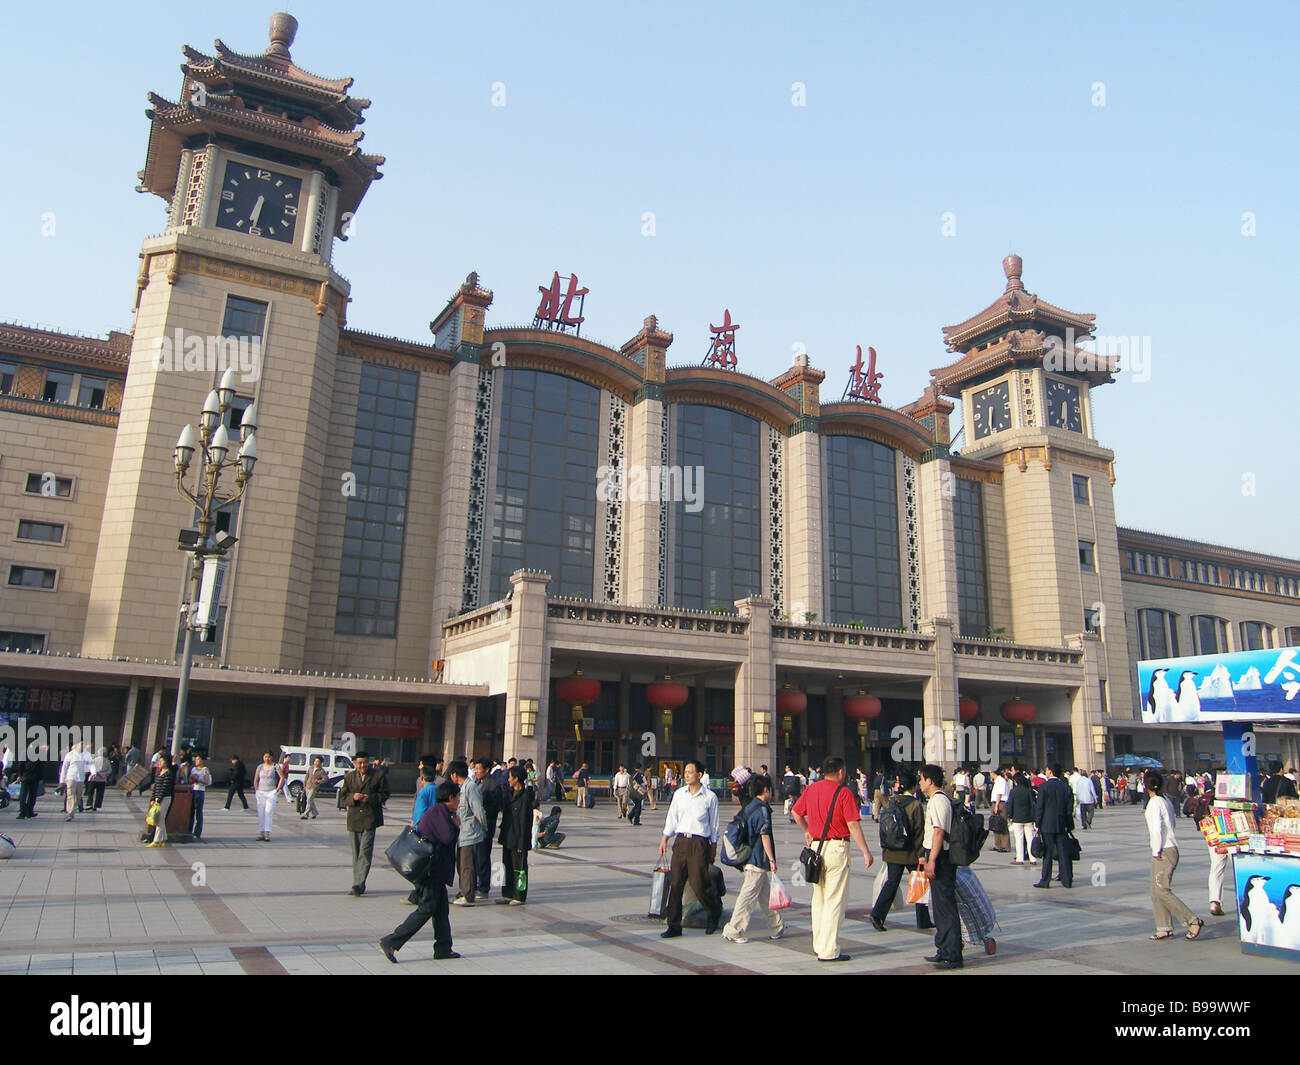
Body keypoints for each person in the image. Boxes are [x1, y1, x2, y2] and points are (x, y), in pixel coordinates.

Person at [792, 757, 875, 962]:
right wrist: (866, 851)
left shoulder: (812, 789)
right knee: (835, 900)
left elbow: (796, 812)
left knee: (818, 898)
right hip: (837, 848)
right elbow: (853, 825)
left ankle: (819, 944)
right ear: (840, 772)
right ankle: (829, 950)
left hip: (816, 848)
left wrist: (807, 831)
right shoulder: (844, 793)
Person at [380, 780, 462, 962]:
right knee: (427, 909)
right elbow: (447, 837)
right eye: (457, 797)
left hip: (435, 871)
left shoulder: (442, 812)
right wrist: (456, 826)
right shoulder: (437, 812)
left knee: (441, 910)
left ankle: (443, 948)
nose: (459, 800)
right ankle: (391, 941)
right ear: (450, 797)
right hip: (430, 871)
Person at [658, 760, 722, 939]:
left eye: (690, 772)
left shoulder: (710, 797)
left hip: (699, 843)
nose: (686, 775)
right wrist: (665, 838)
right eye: (685, 772)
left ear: (699, 775)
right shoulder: (679, 794)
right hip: (680, 842)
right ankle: (674, 925)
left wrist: (713, 847)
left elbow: (714, 825)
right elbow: (672, 818)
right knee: (676, 884)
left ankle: (713, 913)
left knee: (699, 883)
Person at [722, 774, 784, 944]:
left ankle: (776, 926)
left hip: (749, 857)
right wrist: (772, 860)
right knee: (747, 896)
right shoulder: (762, 809)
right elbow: (764, 835)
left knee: (764, 895)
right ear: (765, 790)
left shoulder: (750, 806)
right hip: (757, 859)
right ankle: (733, 930)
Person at [1144, 770, 1204, 941]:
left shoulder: (1155, 803)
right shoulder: (1165, 801)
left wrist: (1156, 851)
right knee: (1155, 890)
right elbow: (1172, 823)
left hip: (1164, 849)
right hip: (1168, 846)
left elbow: (1156, 829)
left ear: (1147, 786)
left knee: (1161, 889)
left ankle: (1192, 920)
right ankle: (1163, 926)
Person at [869, 768, 932, 933]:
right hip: (910, 852)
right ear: (912, 787)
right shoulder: (915, 805)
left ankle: (877, 914)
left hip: (892, 851)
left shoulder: (891, 801)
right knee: (920, 883)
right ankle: (923, 920)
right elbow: (919, 832)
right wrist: (921, 855)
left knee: (892, 882)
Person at [918, 764, 962, 968]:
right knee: (940, 906)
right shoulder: (937, 800)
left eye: (921, 779)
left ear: (930, 781)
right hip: (936, 854)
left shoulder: (938, 800)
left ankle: (952, 954)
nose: (920, 782)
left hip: (941, 857)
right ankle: (944, 948)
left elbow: (938, 832)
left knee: (945, 907)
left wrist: (932, 859)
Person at [342, 751, 389, 895]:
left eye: (365, 762)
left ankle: (358, 884)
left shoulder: (378, 775)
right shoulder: (349, 777)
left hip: (370, 818)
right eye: (360, 763)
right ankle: (358, 883)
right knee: (356, 854)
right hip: (354, 819)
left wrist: (371, 798)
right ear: (355, 763)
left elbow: (385, 794)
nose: (363, 766)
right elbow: (343, 797)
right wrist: (353, 797)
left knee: (365, 852)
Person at [1033, 764, 1075, 889]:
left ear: (1050, 772)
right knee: (1063, 853)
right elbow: (1069, 809)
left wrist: (1037, 824)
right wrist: (1068, 825)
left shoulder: (1044, 787)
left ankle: (1045, 880)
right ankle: (1067, 881)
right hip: (1062, 825)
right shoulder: (1065, 787)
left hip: (1047, 825)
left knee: (1048, 854)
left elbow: (1039, 807)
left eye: (1046, 770)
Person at [449, 760, 484, 905]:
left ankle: (469, 896)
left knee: (467, 865)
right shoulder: (461, 788)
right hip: (462, 833)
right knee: (462, 865)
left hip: (471, 833)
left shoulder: (471, 787)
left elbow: (479, 811)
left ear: (455, 774)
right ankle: (464, 891)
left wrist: (484, 828)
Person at [498, 765, 535, 905]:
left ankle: (519, 895)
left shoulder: (525, 798)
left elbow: (525, 823)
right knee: (506, 866)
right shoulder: (509, 794)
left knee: (519, 869)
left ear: (516, 779)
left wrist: (522, 843)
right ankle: (507, 894)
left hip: (518, 839)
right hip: (507, 836)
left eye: (510, 777)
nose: (508, 780)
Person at [473, 759, 501, 896]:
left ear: (487, 770)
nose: (477, 771)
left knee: (483, 856)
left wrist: (480, 809)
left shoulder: (493, 785)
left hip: (486, 825)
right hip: (475, 826)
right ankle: (474, 884)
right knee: (475, 857)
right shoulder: (476, 782)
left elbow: (495, 807)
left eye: (479, 769)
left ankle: (483, 887)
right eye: (476, 769)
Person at [252, 752, 284, 842]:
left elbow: (282, 777)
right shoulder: (260, 767)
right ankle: (261, 833)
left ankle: (267, 833)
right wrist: (256, 789)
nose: (267, 758)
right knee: (261, 813)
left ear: (272, 757)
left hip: (271, 792)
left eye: (269, 757)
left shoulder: (275, 766)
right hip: (261, 792)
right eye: (265, 757)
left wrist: (277, 789)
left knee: (268, 812)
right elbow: (256, 779)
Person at [1007, 772, 1037, 865]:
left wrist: (1010, 816)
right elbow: (1033, 804)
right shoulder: (1029, 790)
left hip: (1017, 818)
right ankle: (1033, 858)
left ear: (1015, 782)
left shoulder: (1013, 791)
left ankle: (1020, 858)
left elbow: (1010, 805)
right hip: (1028, 818)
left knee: (1019, 839)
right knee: (1030, 838)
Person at [146, 752, 175, 847]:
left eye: (161, 761)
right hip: (158, 798)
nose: (159, 762)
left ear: (166, 763)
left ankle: (156, 841)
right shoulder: (160, 772)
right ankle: (163, 839)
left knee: (159, 819)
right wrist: (153, 798)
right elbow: (156, 787)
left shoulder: (168, 774)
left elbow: (164, 788)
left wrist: (158, 799)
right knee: (160, 819)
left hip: (165, 798)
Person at [59, 742, 84, 822]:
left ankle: (72, 810)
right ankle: (69, 813)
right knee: (70, 796)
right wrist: (62, 780)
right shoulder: (69, 755)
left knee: (78, 797)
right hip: (70, 778)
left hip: (80, 779)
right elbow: (64, 768)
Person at [16, 748, 44, 819]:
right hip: (35, 777)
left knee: (23, 795)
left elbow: (20, 764)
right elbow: (41, 766)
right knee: (32, 795)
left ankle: (22, 813)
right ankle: (29, 812)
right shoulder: (39, 754)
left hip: (25, 776)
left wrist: (20, 775)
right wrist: (41, 778)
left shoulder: (24, 753)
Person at [189, 754, 211, 840]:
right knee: (191, 812)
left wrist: (199, 779)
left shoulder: (205, 770)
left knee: (198, 812)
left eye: (198, 759)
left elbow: (207, 781)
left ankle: (197, 833)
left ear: (202, 761)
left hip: (200, 791)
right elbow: (190, 780)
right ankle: (189, 830)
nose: (196, 761)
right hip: (193, 790)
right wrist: (192, 779)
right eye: (195, 759)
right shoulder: (193, 769)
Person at [301, 756, 326, 821]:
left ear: (320, 763)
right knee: (310, 801)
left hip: (314, 787)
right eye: (315, 761)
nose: (316, 762)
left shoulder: (321, 771)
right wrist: (304, 785)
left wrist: (318, 781)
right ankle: (315, 813)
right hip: (308, 786)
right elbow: (307, 776)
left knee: (309, 800)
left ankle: (305, 814)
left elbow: (325, 778)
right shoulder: (311, 768)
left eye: (317, 761)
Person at [88, 747, 110, 812]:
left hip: (94, 779)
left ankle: (90, 804)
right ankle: (96, 805)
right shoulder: (107, 761)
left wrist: (96, 773)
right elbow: (109, 770)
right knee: (100, 793)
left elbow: (90, 768)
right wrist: (104, 774)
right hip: (102, 780)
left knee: (91, 792)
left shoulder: (94, 760)